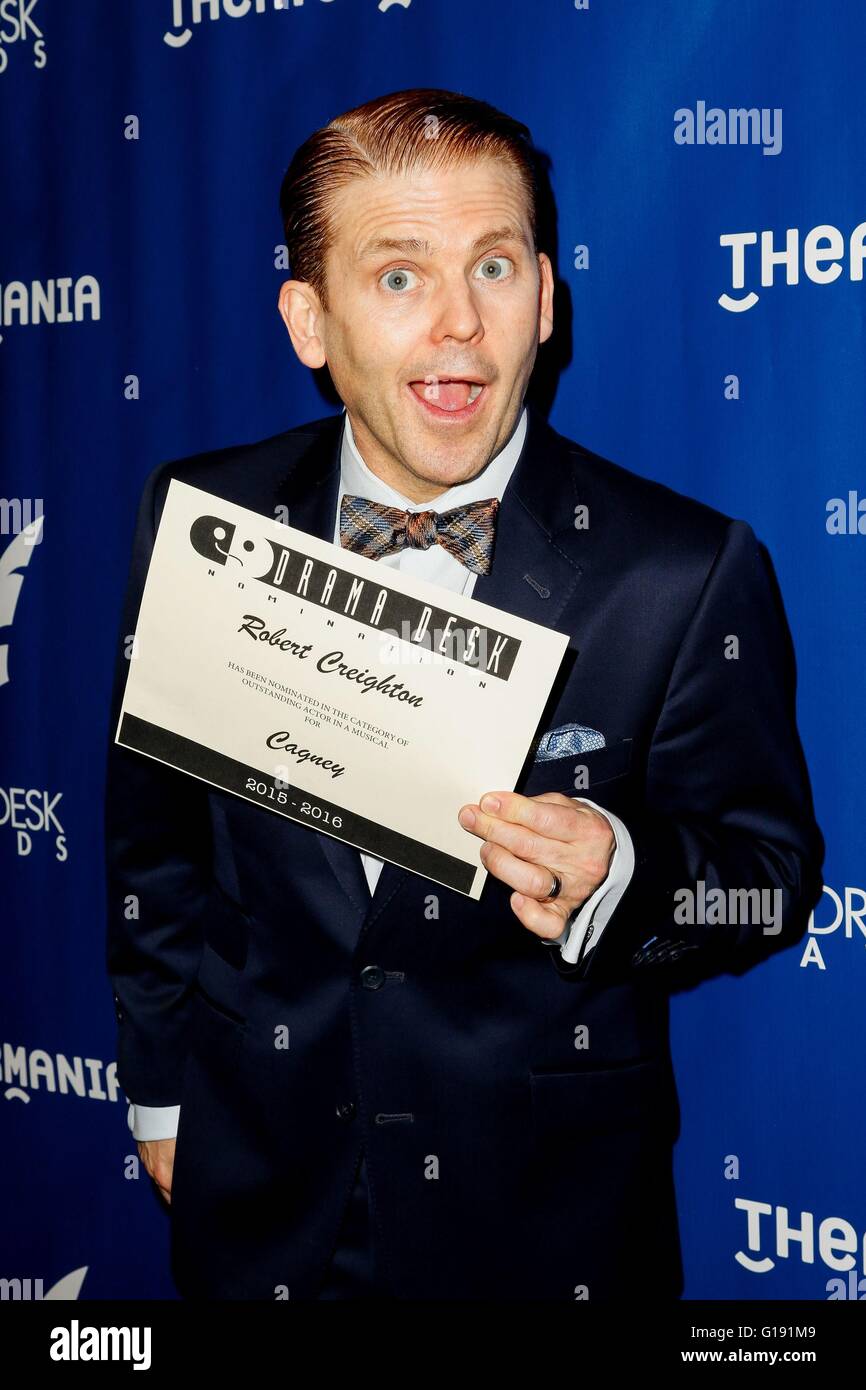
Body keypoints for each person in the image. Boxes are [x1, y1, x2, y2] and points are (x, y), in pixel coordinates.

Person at [104, 88, 824, 1301]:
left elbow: (766, 877)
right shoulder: (200, 515)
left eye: (493, 266)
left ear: (544, 296)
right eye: (396, 277)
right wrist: (163, 1088)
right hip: (258, 1189)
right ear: (308, 319)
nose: (457, 326)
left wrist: (621, 874)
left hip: (544, 1228)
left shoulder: (682, 570)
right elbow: (154, 842)